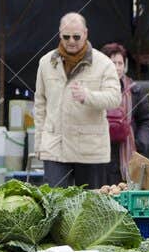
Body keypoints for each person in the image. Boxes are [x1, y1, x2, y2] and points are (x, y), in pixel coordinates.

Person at [34, 11, 121, 188]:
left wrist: (87, 96)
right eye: (66, 37)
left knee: (88, 209)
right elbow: (40, 104)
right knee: (55, 206)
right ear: (59, 35)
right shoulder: (45, 63)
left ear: (86, 34)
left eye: (76, 36)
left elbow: (114, 98)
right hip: (54, 148)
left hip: (90, 150)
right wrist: (39, 144)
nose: (71, 41)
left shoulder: (104, 63)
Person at [101, 42, 149, 182]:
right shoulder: (95, 89)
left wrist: (140, 142)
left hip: (126, 153)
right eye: (113, 63)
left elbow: (146, 119)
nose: (117, 68)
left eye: (120, 63)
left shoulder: (134, 90)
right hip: (101, 154)